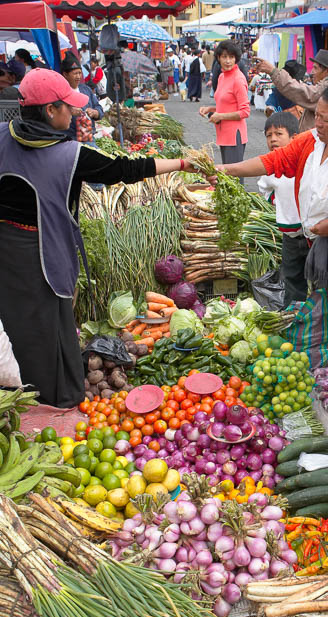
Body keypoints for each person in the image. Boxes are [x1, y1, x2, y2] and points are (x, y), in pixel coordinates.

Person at [0, 69, 197, 409]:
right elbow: (126, 169)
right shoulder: (70, 155)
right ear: (50, 110)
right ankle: (55, 399)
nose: (75, 112)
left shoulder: (3, 134)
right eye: (68, 107)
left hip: (4, 250)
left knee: (15, 322)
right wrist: (181, 162)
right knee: (49, 327)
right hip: (40, 253)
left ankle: (16, 395)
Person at [216, 82, 328, 368]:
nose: (317, 123)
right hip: (322, 239)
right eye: (316, 115)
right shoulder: (311, 141)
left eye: (325, 118)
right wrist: (228, 170)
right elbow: (275, 161)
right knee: (327, 297)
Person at [257, 112, 309, 306]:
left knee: (319, 279)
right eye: (269, 135)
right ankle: (293, 317)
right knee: (292, 278)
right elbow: (264, 187)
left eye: (279, 134)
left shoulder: (305, 162)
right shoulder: (271, 165)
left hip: (312, 235)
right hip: (290, 236)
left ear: (295, 138)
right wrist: (277, 202)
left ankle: (318, 318)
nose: (273, 139)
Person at [257, 49, 328, 132]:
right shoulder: (327, 87)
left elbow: (300, 91)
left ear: (326, 71)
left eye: (315, 68)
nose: (312, 72)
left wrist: (273, 72)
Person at [199, 40, 250, 167]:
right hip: (223, 133)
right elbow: (226, 105)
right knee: (227, 175)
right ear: (218, 58)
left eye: (231, 57)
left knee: (234, 177)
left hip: (234, 135)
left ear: (236, 59)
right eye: (224, 57)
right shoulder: (222, 77)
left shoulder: (238, 79)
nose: (228, 61)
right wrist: (209, 108)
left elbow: (245, 111)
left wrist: (220, 116)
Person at [60, 53, 102, 142]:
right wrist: (69, 111)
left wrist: (95, 112)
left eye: (80, 73)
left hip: (88, 137)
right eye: (75, 73)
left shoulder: (85, 89)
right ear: (65, 74)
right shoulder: (60, 92)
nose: (78, 76)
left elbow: (99, 108)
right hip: (69, 139)